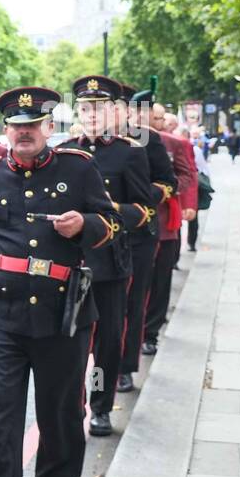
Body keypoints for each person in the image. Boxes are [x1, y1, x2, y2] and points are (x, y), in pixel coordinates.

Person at [0, 86, 118, 477]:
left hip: (62, 313)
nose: (24, 133)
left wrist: (84, 224)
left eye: (32, 126)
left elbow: (111, 224)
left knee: (61, 407)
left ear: (49, 128)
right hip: (3, 315)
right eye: (16, 126)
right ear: (6, 130)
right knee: (1, 409)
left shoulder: (79, 169)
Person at [58, 75, 155, 438]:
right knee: (69, 344)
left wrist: (105, 211)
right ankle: (73, 407)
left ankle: (100, 407)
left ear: (114, 111)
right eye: (86, 108)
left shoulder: (130, 151)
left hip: (110, 264)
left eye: (99, 108)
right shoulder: (65, 150)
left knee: (107, 343)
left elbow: (144, 211)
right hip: (70, 263)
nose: (92, 114)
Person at [117, 87, 179, 394]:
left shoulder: (147, 138)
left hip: (138, 231)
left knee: (133, 300)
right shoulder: (86, 142)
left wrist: (142, 203)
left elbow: (168, 182)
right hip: (97, 233)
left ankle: (125, 367)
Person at [143, 121, 197, 354]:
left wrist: (175, 196)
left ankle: (150, 333)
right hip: (128, 226)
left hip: (164, 222)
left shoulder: (172, 143)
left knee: (159, 281)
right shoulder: (116, 143)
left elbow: (186, 175)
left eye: (156, 117)